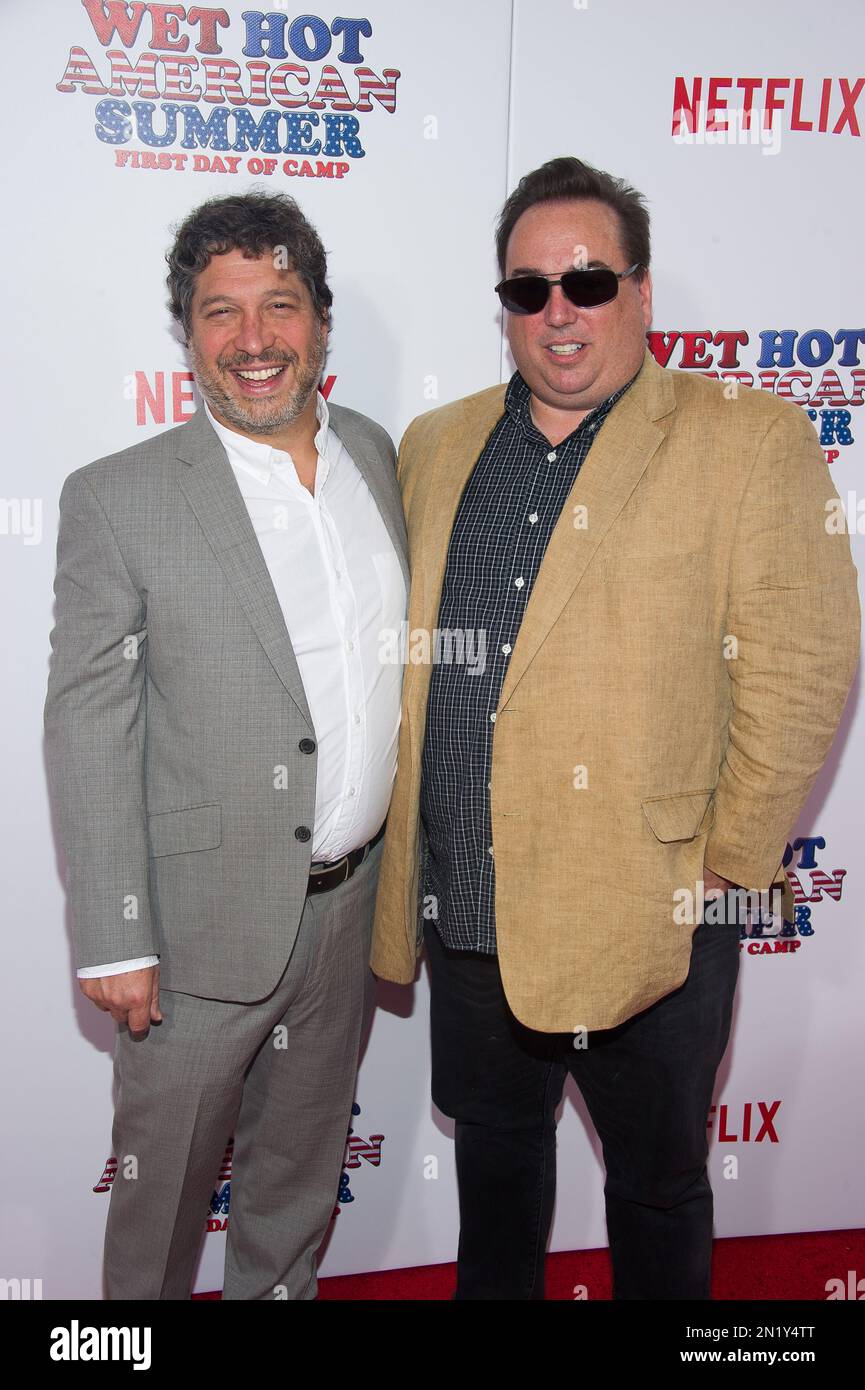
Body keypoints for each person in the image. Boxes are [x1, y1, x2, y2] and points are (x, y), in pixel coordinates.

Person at [370, 156, 860, 1299]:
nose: (558, 313)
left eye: (587, 284)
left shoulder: (749, 440)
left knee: (654, 1189)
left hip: (654, 923)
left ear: (641, 293)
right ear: (501, 307)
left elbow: (801, 670)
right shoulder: (436, 446)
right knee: (495, 1173)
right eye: (528, 289)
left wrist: (719, 877)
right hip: (471, 908)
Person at [44, 191, 408, 1300]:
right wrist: (114, 936)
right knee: (155, 1223)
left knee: (293, 1201)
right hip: (193, 939)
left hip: (345, 911)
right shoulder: (119, 497)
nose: (254, 341)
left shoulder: (373, 455)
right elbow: (87, 714)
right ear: (188, 333)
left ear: (321, 322)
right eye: (220, 312)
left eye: (280, 306)